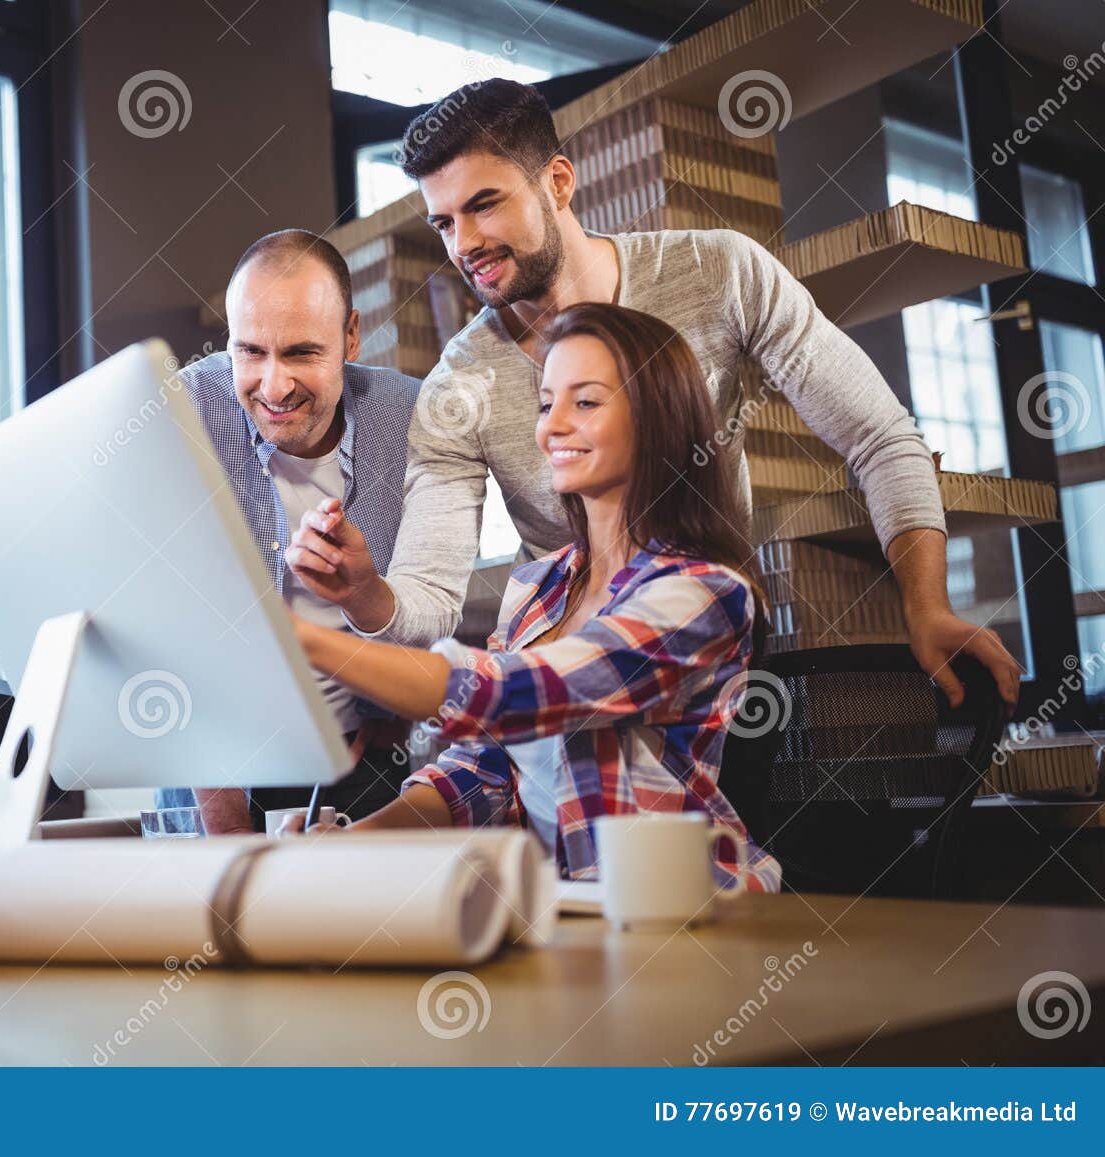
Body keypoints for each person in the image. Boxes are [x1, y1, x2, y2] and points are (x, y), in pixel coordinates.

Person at [287, 78, 1021, 710]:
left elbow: (880, 436)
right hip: (562, 665)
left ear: (559, 183)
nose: (463, 243)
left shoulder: (720, 272)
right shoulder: (458, 384)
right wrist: (363, 597)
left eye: (485, 204)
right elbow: (429, 596)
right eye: (443, 221)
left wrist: (927, 607)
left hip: (702, 650)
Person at [288, 301, 780, 891]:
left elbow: (512, 694)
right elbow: (481, 771)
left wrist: (301, 640)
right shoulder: (536, 588)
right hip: (570, 917)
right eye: (547, 404)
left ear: (659, 420)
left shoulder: (703, 594)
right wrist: (348, 845)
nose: (552, 426)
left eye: (586, 401)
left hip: (687, 918)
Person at [155, 229, 422, 834]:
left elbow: (424, 601)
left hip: (361, 757)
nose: (274, 387)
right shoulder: (185, 410)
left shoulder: (409, 417)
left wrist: (386, 737)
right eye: (250, 352)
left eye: (302, 353)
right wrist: (227, 831)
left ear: (351, 335)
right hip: (211, 766)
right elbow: (173, 629)